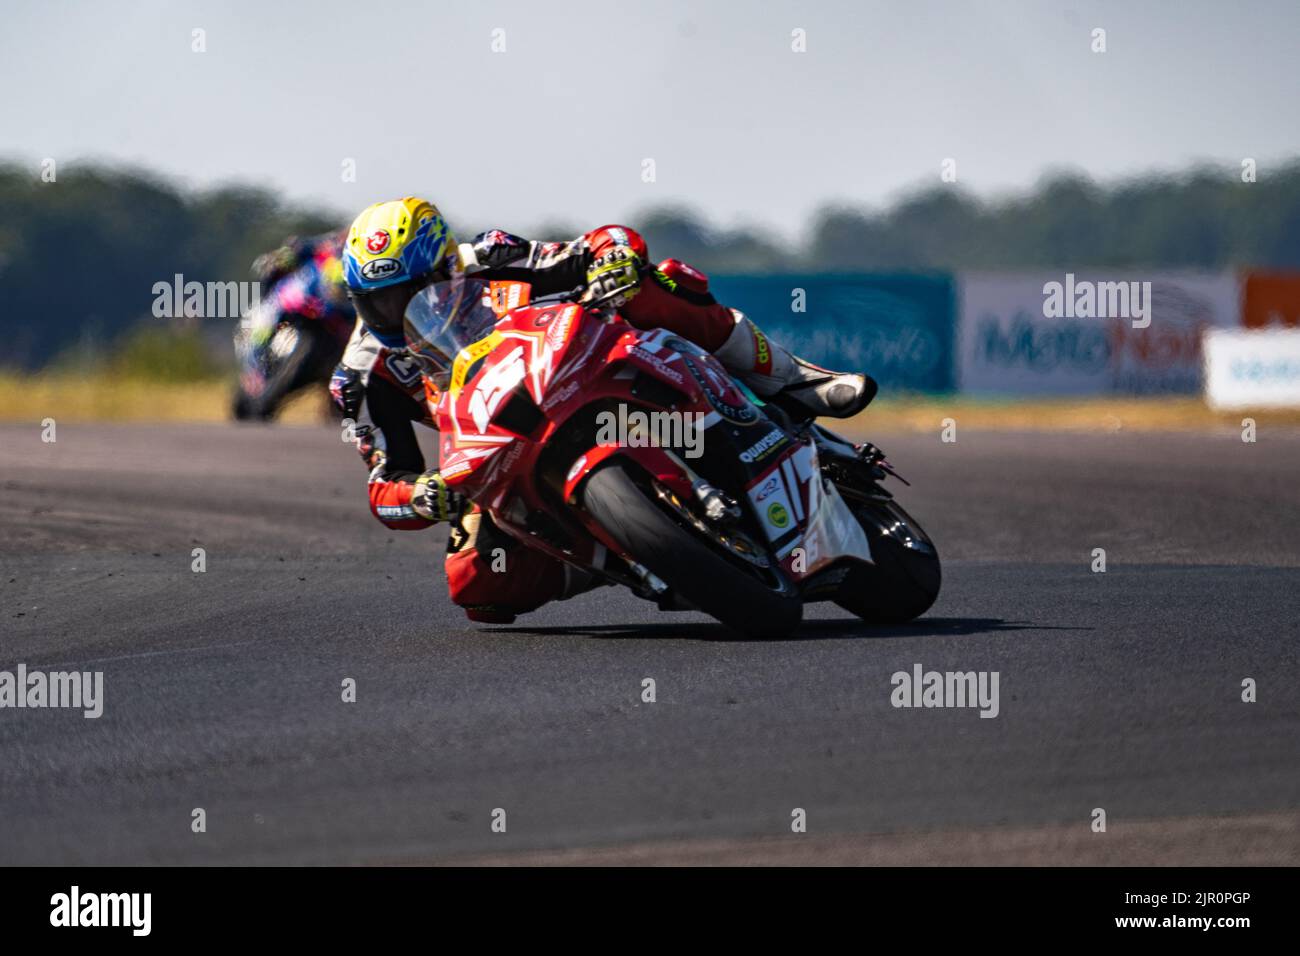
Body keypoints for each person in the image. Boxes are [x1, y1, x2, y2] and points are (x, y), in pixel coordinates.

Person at [331, 197, 877, 622]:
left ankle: (792, 379)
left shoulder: (493, 257)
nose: (393, 311)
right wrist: (422, 495)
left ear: (443, 265)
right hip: (497, 439)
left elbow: (598, 243)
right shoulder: (360, 374)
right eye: (375, 300)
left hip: (581, 362)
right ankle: (627, 551)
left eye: (408, 292)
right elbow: (385, 487)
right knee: (478, 588)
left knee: (649, 283)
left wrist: (614, 259)